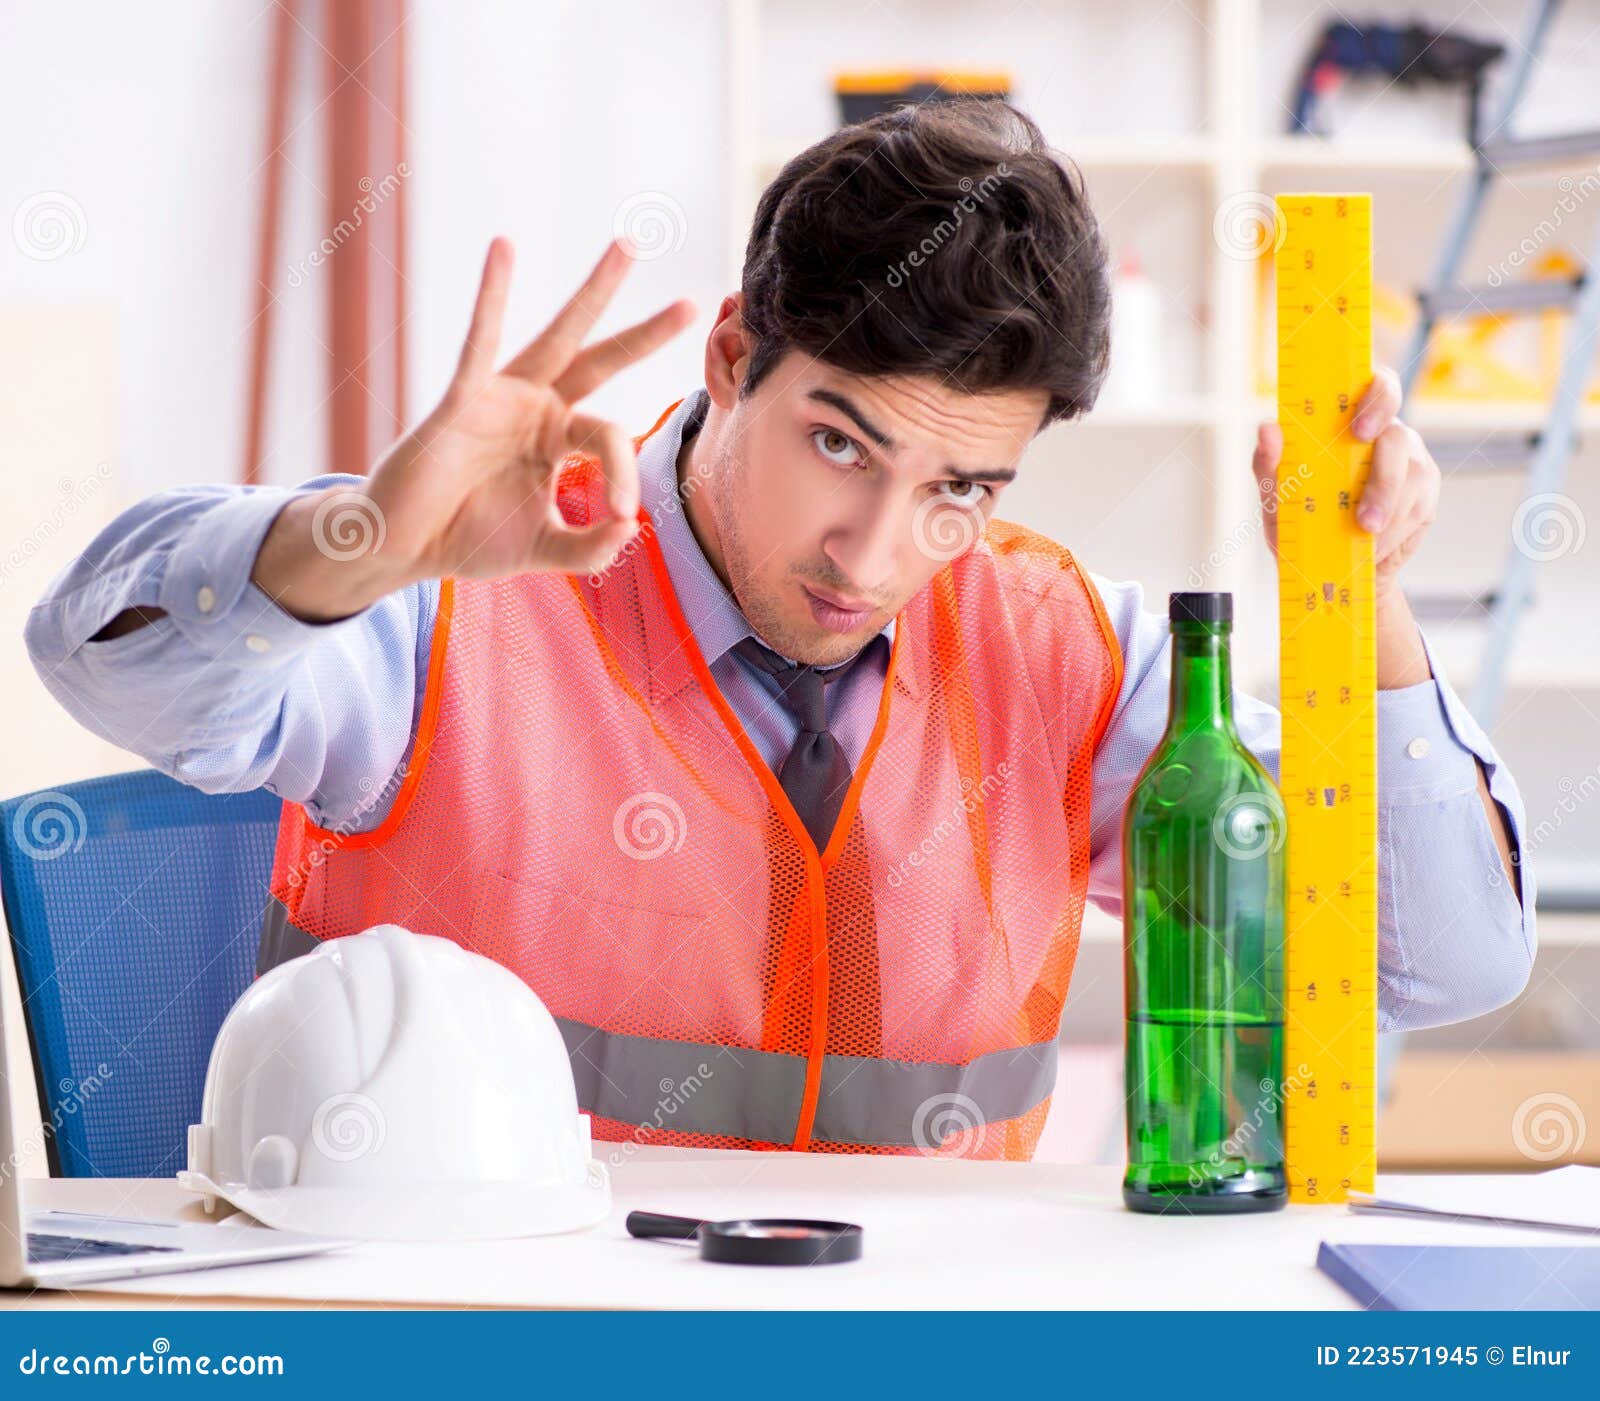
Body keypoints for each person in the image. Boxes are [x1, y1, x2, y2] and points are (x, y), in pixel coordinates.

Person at [27, 100, 1532, 1161]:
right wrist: (357, 539)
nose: (878, 554)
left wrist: (1366, 591)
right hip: (485, 1340)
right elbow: (98, 658)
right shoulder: (468, 590)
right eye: (840, 444)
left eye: (962, 487)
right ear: (735, 356)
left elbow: (1434, 961)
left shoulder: (1068, 652)